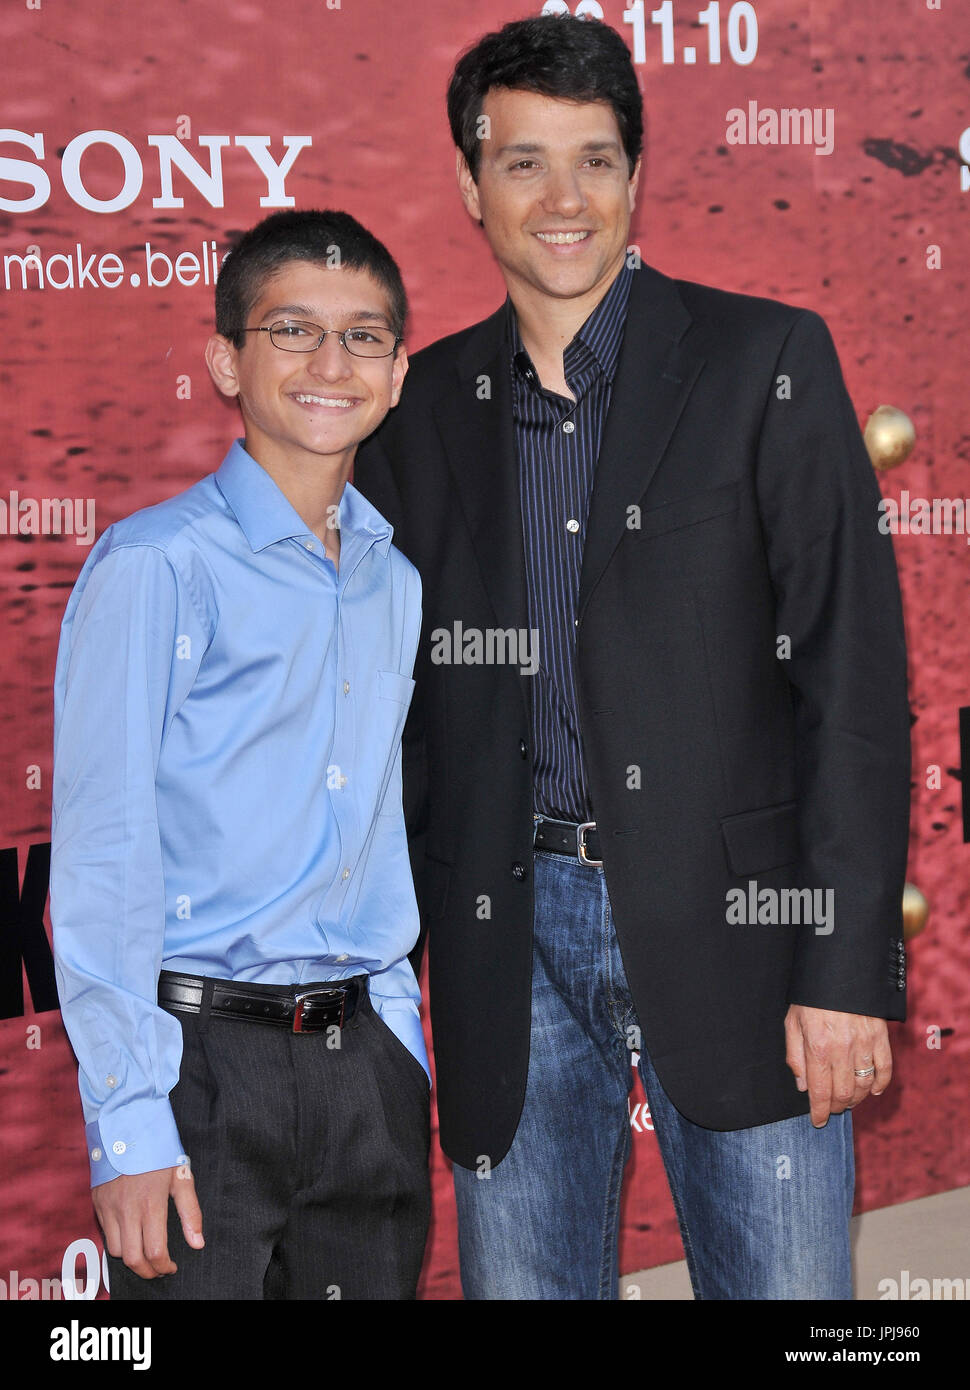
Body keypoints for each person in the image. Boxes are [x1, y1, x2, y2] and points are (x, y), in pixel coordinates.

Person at [354, 15, 911, 1300]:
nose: (564, 200)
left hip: (745, 929)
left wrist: (841, 969)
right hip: (510, 928)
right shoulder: (422, 409)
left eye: (596, 160)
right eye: (525, 162)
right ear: (467, 183)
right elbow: (404, 706)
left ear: (636, 175)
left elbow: (853, 683)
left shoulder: (764, 360)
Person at [51, 209, 430, 1301]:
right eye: (293, 330)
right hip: (201, 1072)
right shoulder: (156, 567)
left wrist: (396, 1041)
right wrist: (128, 1119)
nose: (330, 363)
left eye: (364, 337)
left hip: (366, 1071)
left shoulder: (390, 581)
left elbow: (372, 838)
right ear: (227, 358)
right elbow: (105, 853)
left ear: (398, 374)